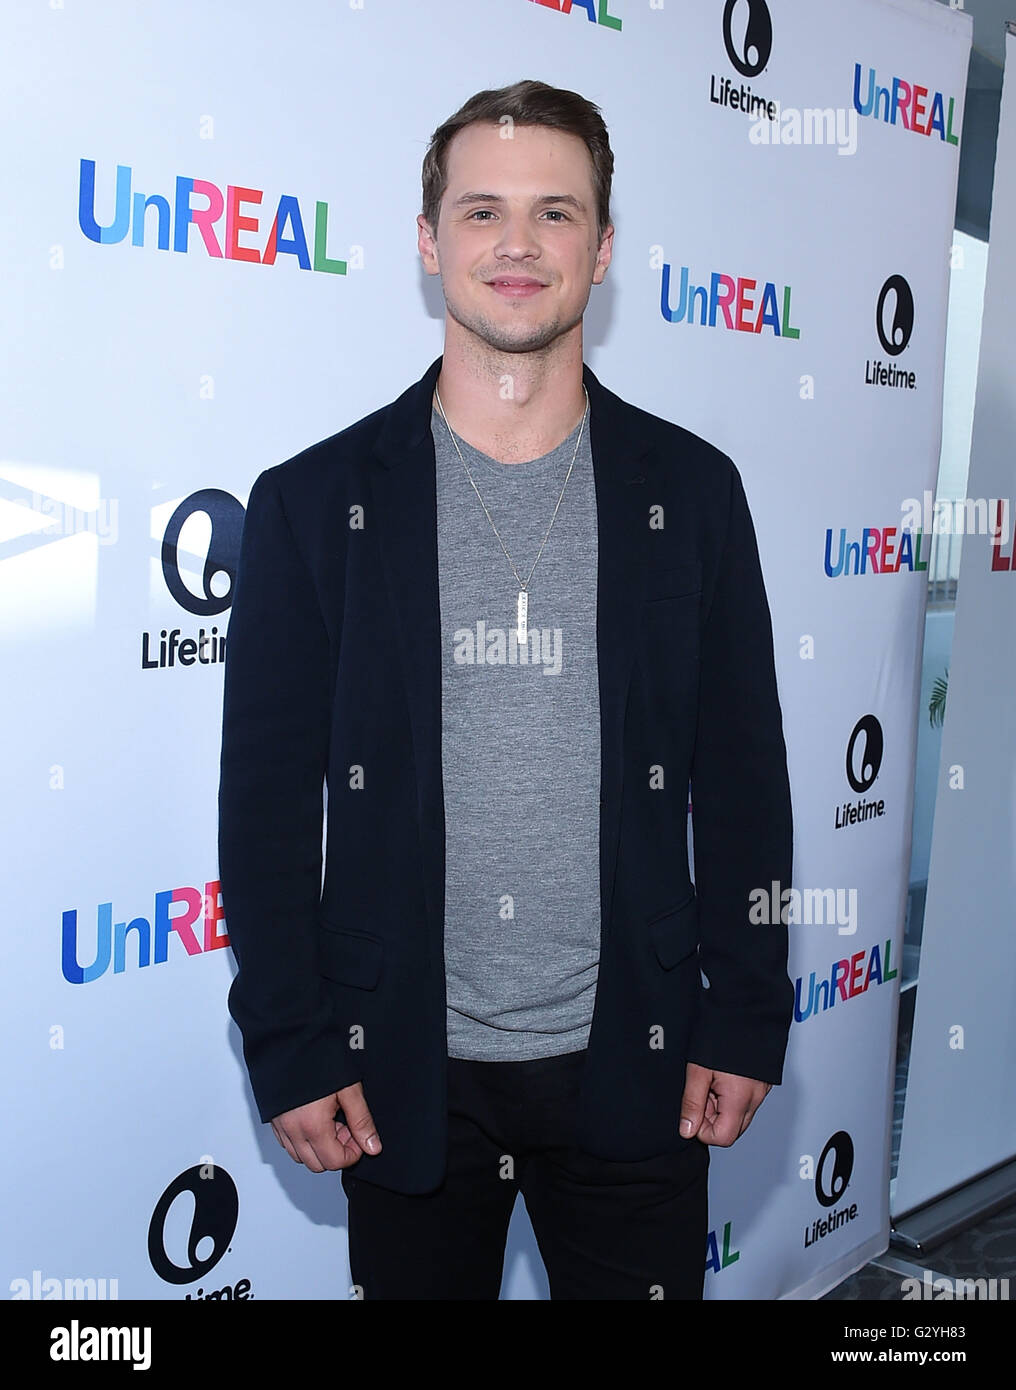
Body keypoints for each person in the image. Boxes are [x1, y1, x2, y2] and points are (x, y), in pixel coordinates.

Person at [217, 78, 794, 1301]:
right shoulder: (314, 505)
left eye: (554, 213)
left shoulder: (691, 495)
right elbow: (266, 810)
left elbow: (743, 781)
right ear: (429, 244)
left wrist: (744, 1012)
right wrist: (287, 1038)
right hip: (398, 1069)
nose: (517, 245)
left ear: (603, 249)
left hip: (634, 1057)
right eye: (480, 213)